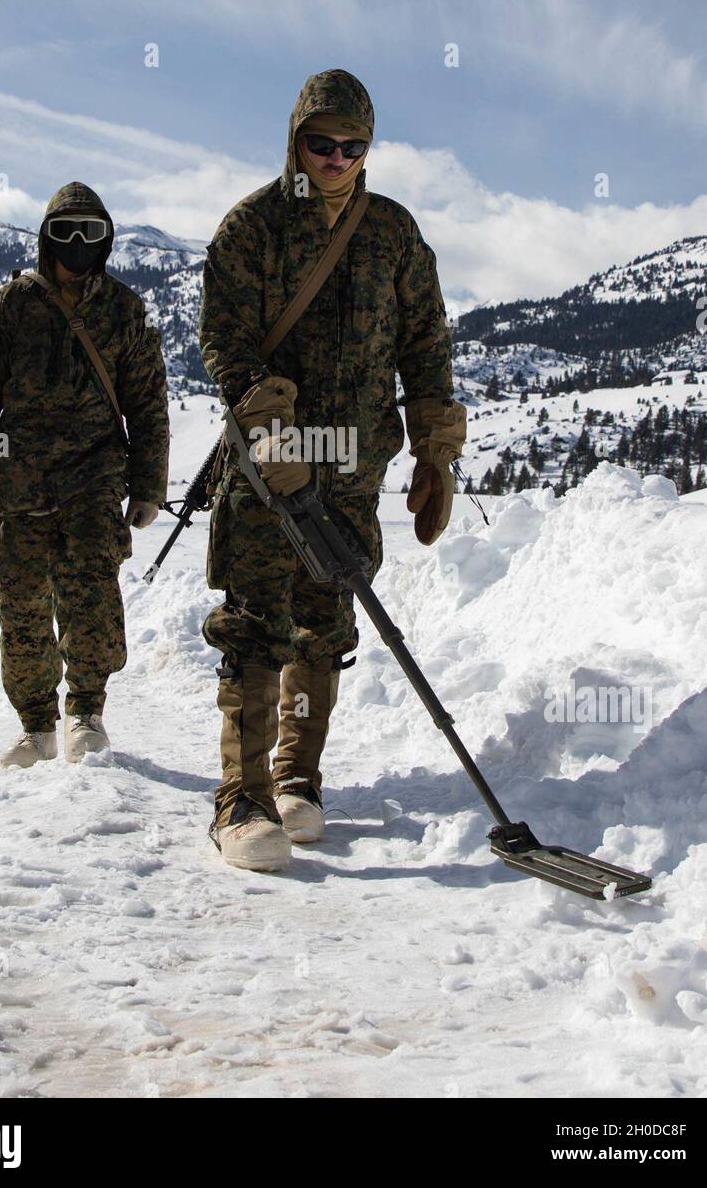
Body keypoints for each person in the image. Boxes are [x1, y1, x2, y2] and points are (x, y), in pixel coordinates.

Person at [199, 69, 466, 871]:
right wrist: (268, 424)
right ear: (296, 141)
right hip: (270, 465)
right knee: (255, 625)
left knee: (325, 621)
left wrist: (435, 452)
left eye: (353, 146)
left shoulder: (394, 233)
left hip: (352, 465)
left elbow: (426, 344)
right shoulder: (251, 228)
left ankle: (297, 778)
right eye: (323, 143)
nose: (338, 158)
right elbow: (226, 339)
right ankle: (239, 799)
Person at [0, 181, 169, 767]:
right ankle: (35, 726)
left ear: (106, 241)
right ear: (47, 237)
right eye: (66, 232)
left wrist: (149, 487)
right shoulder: (11, 307)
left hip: (95, 476)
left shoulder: (125, 311)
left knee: (92, 592)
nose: (77, 244)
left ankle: (86, 713)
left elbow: (148, 404)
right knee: (20, 600)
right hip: (19, 482)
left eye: (90, 233)